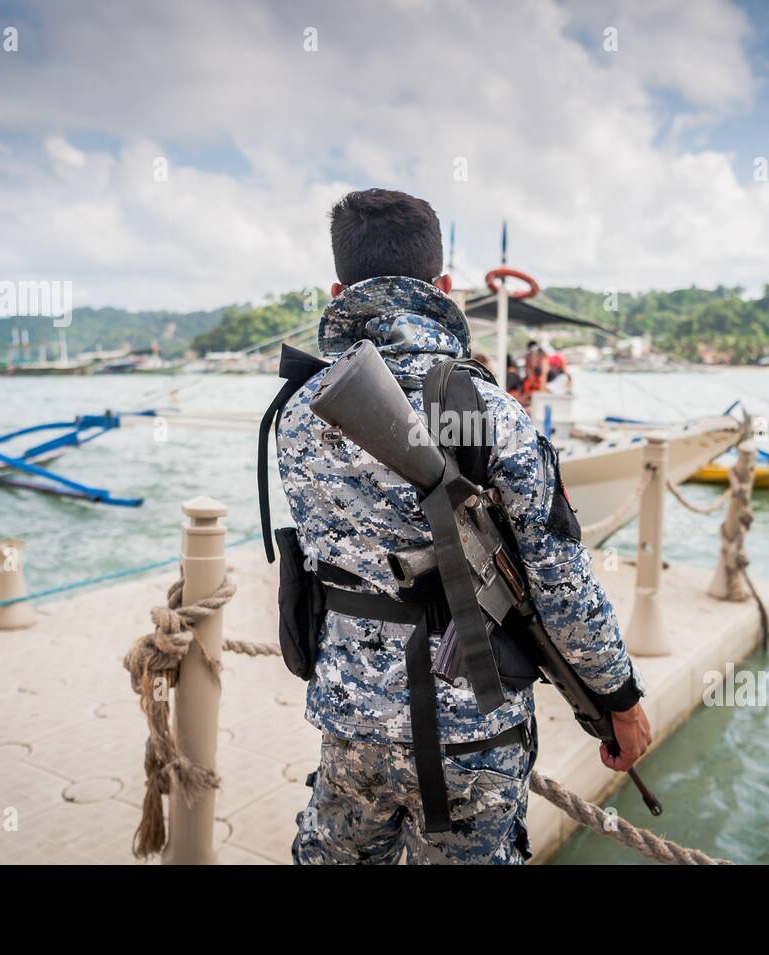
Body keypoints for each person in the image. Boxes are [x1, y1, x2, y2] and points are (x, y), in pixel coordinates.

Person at [276, 188, 650, 865]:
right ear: (443, 286)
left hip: (349, 717)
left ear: (337, 288)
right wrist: (618, 698)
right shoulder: (488, 409)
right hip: (472, 732)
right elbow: (563, 585)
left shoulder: (299, 408)